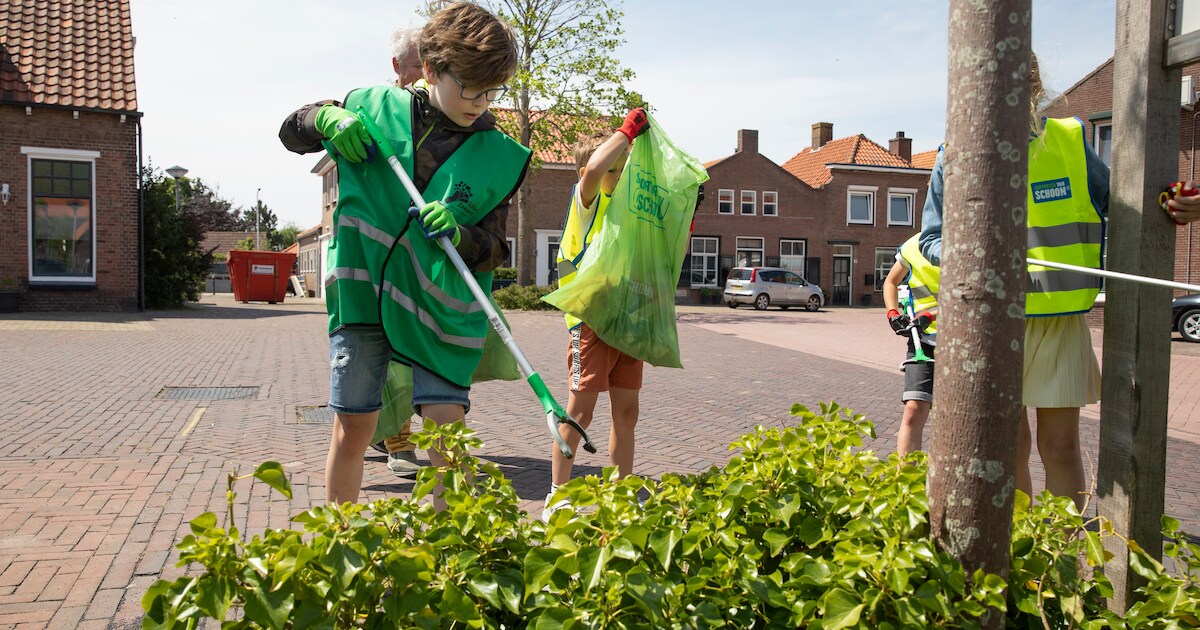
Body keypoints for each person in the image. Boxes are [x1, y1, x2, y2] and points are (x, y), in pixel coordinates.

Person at [278, 2, 530, 508]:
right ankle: (339, 536)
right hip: (365, 299)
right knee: (354, 428)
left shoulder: (498, 156)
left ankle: (453, 548)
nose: (481, 103)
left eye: (493, 90)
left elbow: (496, 250)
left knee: (445, 438)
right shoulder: (370, 109)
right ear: (431, 69)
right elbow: (291, 132)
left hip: (439, 314)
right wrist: (324, 117)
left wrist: (461, 235)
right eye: (471, 88)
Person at [918, 54, 1107, 511]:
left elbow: (1124, 203)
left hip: (1058, 320)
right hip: (989, 322)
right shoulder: (951, 155)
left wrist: (1171, 202)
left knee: (1060, 447)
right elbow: (930, 239)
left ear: (1033, 85)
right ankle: (1018, 546)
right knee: (1008, 447)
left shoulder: (1069, 140)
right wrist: (974, 259)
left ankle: (1061, 549)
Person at [543, 110, 650, 522]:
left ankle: (623, 491)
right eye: (614, 169)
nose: (620, 176)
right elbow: (593, 172)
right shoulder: (585, 201)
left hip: (627, 321)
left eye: (625, 169)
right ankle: (557, 494)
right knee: (580, 410)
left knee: (627, 411)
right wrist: (626, 132)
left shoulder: (630, 209)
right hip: (589, 322)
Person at [366, 24, 427, 480]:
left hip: (427, 251)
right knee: (391, 352)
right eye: (417, 66)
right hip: (382, 251)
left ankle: (383, 428)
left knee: (418, 350)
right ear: (397, 67)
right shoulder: (377, 112)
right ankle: (398, 440)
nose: (426, 76)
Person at [882, 234, 938, 457]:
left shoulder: (969, 239)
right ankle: (905, 478)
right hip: (922, 340)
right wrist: (892, 313)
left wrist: (931, 315)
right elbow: (891, 282)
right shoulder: (913, 245)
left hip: (966, 340)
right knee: (913, 410)